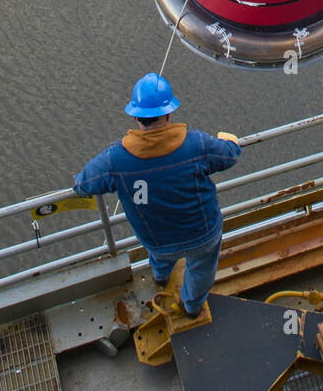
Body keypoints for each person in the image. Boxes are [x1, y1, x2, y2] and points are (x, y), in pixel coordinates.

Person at [73, 73, 241, 317]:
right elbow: (229, 155)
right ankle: (192, 306)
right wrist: (229, 140)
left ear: (135, 115)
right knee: (202, 267)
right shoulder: (197, 144)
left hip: (157, 241)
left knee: (159, 253)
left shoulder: (115, 159)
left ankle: (161, 277)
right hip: (203, 234)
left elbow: (83, 185)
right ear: (169, 113)